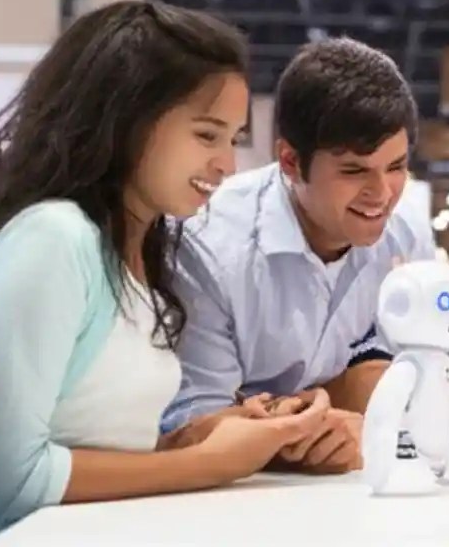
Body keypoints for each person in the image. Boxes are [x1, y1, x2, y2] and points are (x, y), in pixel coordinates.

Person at [0, 2, 328, 544]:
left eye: (233, 138)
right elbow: (6, 485)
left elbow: (90, 446)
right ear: (126, 118)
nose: (227, 163)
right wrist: (206, 464)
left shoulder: (136, 257)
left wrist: (194, 439)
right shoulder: (52, 239)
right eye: (207, 135)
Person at [160, 37, 435, 475]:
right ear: (290, 161)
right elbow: (197, 424)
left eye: (396, 167)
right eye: (354, 170)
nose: (382, 194)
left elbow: (426, 384)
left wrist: (346, 407)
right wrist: (327, 416)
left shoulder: (406, 237)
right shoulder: (208, 245)